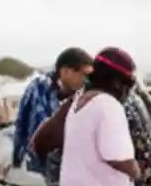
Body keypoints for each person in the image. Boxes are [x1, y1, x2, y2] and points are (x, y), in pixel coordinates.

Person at [58, 48, 142, 186]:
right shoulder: (108, 105)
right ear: (116, 82)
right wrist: (137, 171)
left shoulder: (78, 103)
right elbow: (117, 157)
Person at [13, 48, 93, 176]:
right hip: (32, 166)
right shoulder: (40, 88)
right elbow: (40, 136)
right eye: (84, 75)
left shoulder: (78, 93)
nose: (87, 80)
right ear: (65, 71)